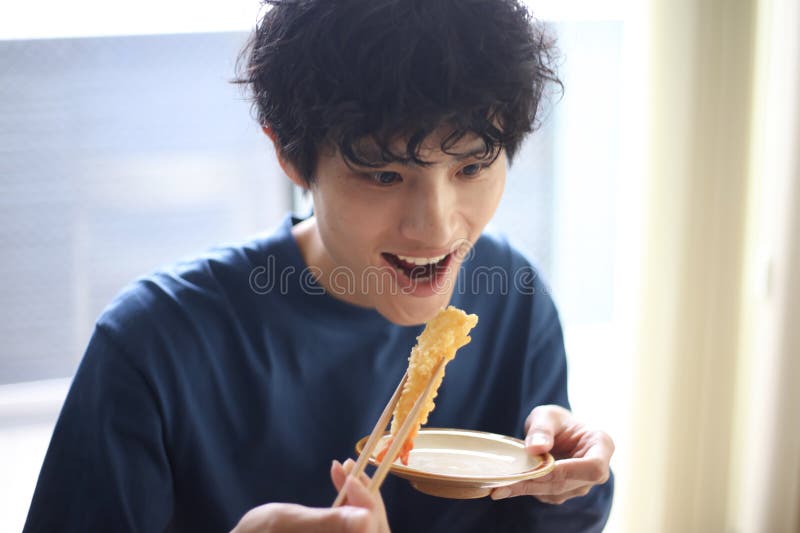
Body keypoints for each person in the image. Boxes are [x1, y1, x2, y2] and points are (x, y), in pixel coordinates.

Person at [24, 0, 615, 531]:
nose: (436, 227)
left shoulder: (512, 298)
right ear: (289, 153)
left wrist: (564, 488)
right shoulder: (155, 343)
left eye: (471, 168)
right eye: (385, 175)